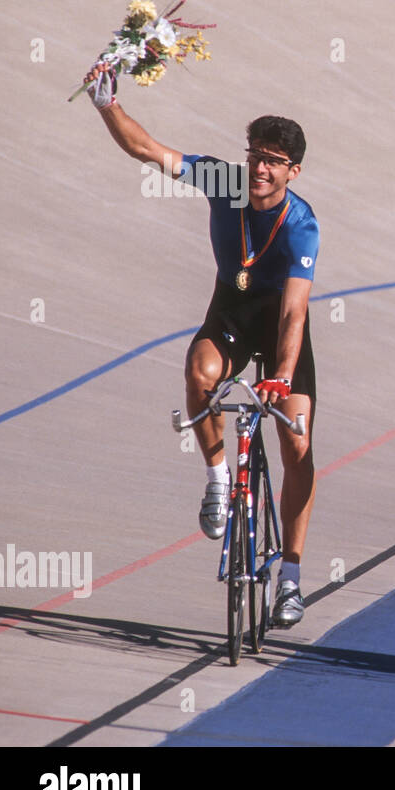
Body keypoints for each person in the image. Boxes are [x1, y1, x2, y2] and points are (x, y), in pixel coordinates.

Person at [84, 63, 319, 628]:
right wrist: (106, 103)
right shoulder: (224, 181)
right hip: (233, 311)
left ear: (294, 171)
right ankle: (218, 479)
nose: (260, 168)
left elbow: (293, 312)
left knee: (298, 442)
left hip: (279, 323)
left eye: (273, 161)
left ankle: (290, 577)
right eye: (255, 154)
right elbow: (147, 150)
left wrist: (281, 378)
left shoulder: (301, 225)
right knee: (199, 372)